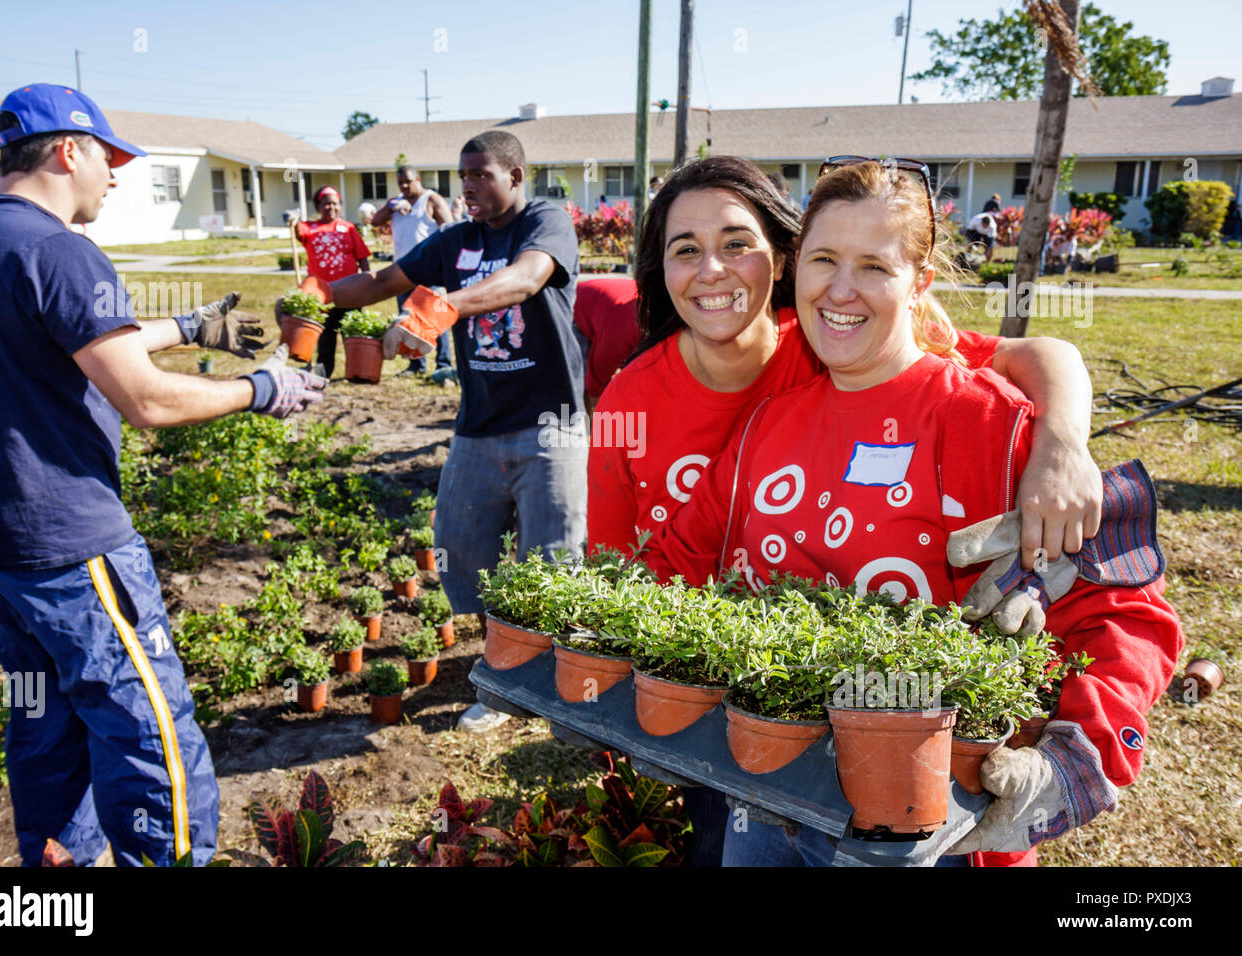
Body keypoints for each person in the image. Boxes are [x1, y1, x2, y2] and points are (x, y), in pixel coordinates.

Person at [646, 159, 1181, 867]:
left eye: (874, 266)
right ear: (793, 271)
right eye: (823, 260)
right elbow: (675, 562)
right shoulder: (764, 427)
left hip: (929, 831)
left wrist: (1078, 760)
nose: (840, 290)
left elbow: (1125, 616)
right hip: (765, 801)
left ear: (920, 282)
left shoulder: (993, 423)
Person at [0, 83, 326, 867]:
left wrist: (187, 326)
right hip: (68, 540)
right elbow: (143, 399)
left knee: (47, 727)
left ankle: (59, 882)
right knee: (147, 729)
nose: (116, 178)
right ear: (67, 151)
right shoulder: (57, 248)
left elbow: (60, 337)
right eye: (109, 160)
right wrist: (260, 389)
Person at [591, 156, 1101, 581]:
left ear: (781, 257)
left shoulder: (842, 340)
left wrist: (1060, 444)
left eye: (736, 244)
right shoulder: (634, 405)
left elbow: (1039, 355)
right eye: (687, 250)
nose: (711, 271)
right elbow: (624, 570)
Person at [292, 129, 585, 734]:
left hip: (548, 426)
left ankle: (546, 691)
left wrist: (440, 307)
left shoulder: (545, 222)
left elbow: (527, 278)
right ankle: (504, 669)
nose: (470, 187)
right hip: (478, 427)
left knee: (552, 566)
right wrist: (316, 297)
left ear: (515, 176)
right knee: (462, 552)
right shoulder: (455, 241)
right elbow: (377, 285)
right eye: (463, 177)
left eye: (483, 175)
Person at [362, 166, 454, 375]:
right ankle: (416, 365)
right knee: (407, 320)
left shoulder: (432, 200)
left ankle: (443, 364)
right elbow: (375, 221)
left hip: (430, 270)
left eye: (408, 181)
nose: (404, 186)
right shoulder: (397, 202)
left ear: (418, 179)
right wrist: (391, 207)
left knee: (435, 319)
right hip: (402, 272)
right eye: (400, 182)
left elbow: (450, 230)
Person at [291, 185, 371, 378]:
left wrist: (368, 284)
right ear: (319, 207)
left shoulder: (349, 228)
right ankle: (323, 371)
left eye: (335, 204)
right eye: (326, 204)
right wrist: (293, 220)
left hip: (350, 292)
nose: (331, 208)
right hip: (322, 295)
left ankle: (357, 371)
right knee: (325, 336)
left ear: (340, 206)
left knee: (352, 334)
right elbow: (297, 230)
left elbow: (363, 258)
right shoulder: (310, 228)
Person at [571, 275, 640, 410]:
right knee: (581, 383)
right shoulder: (623, 330)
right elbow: (597, 380)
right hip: (576, 310)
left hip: (605, 307)